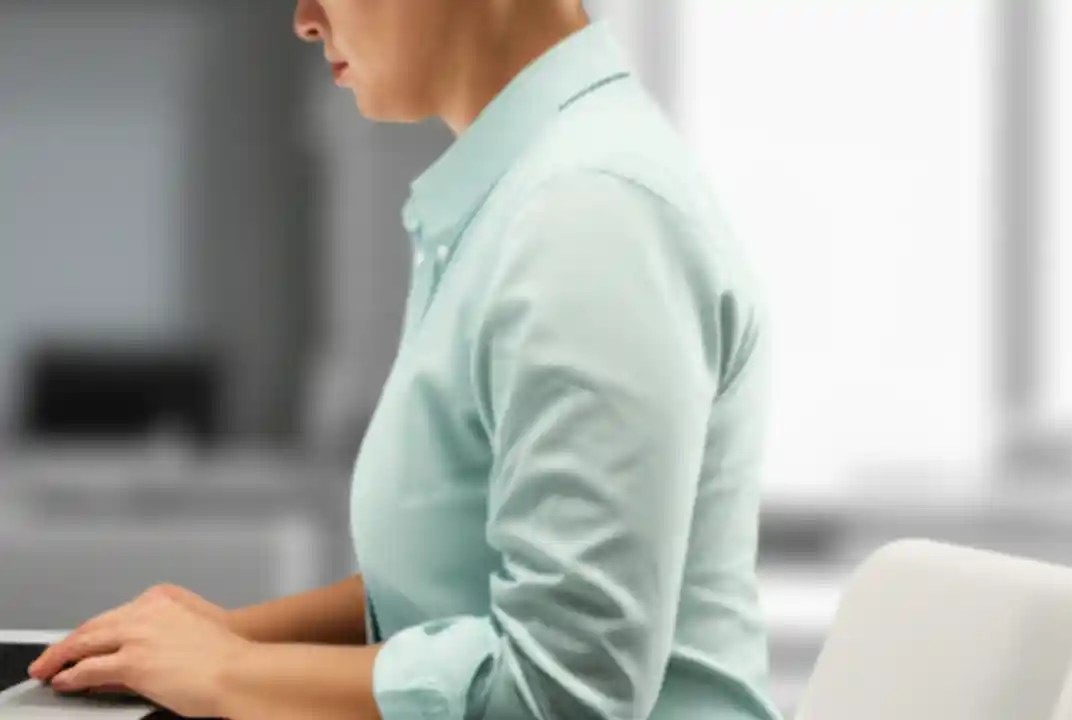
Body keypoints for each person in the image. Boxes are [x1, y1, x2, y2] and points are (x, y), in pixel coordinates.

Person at [27, 2, 780, 718]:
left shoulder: (588, 216)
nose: (304, 18)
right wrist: (231, 635)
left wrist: (226, 671)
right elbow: (457, 588)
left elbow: (567, 688)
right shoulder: (522, 198)